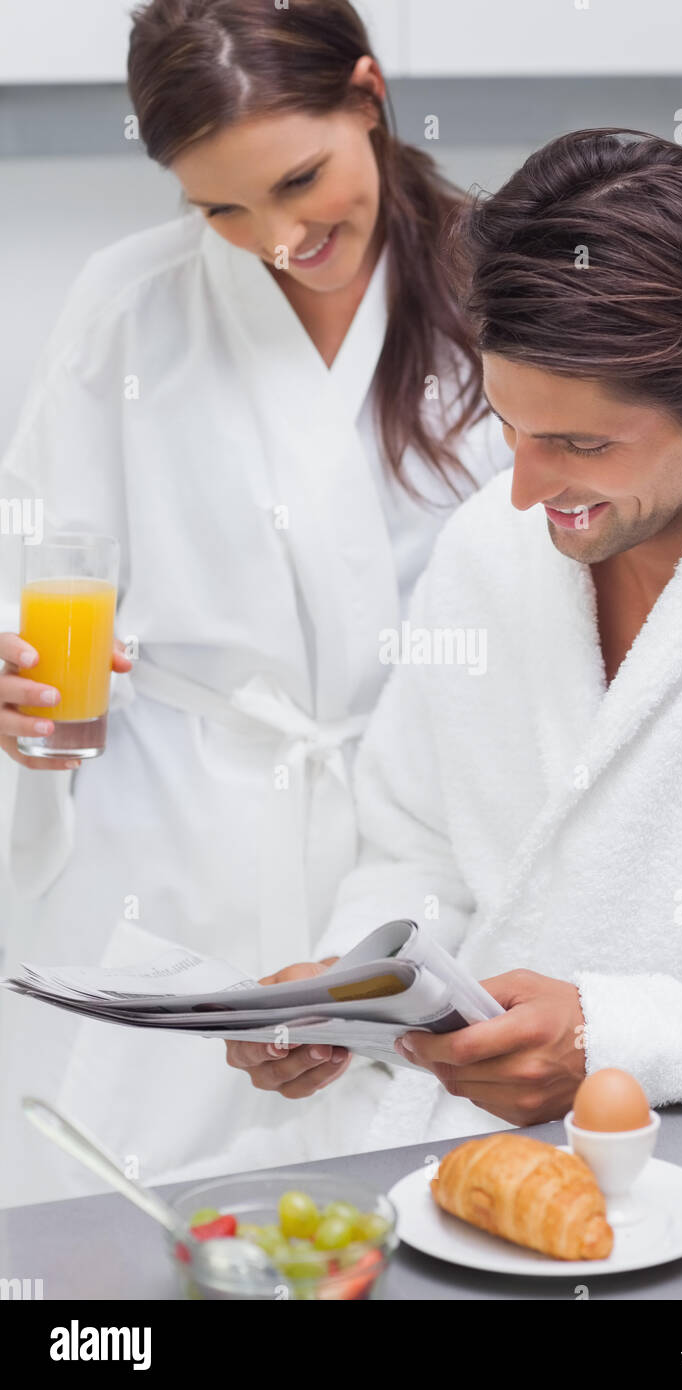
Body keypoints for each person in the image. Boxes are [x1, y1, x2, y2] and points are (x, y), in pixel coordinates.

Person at [227, 128, 682, 1156]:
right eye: (509, 425)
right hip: (464, 1182)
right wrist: (358, 989)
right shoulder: (492, 547)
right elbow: (415, 847)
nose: (522, 491)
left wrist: (617, 1042)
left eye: (579, 443)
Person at [0, 0, 507, 1206]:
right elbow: (38, 552)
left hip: (413, 834)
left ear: (369, 96)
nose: (277, 235)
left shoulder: (503, 283)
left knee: (388, 1211)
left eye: (299, 180)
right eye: (221, 209)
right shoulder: (130, 301)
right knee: (119, 1218)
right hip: (174, 830)